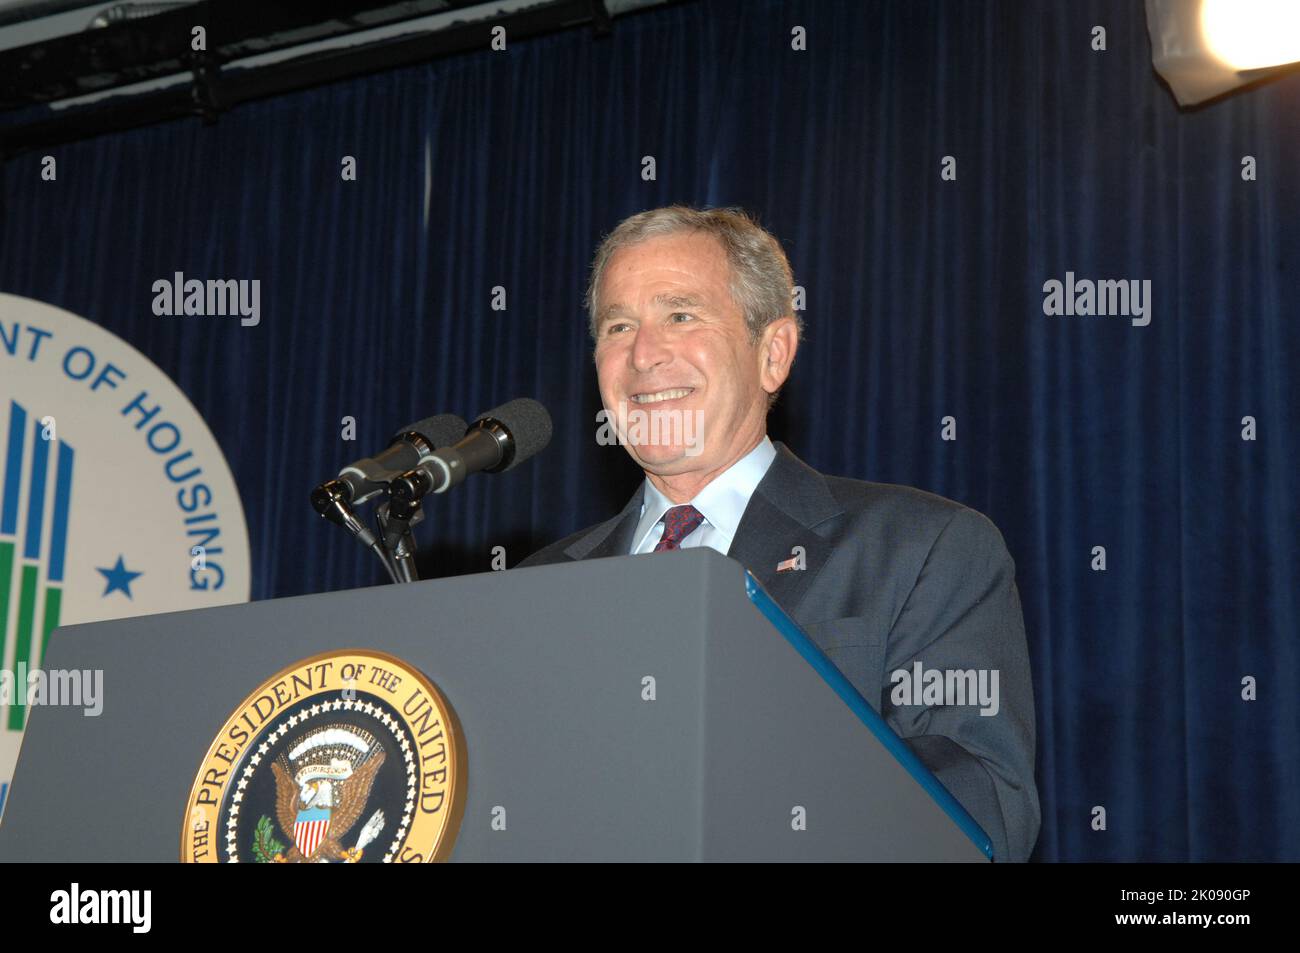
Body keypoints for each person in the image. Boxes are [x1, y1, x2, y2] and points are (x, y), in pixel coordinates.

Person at [518, 205, 1040, 862]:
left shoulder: (922, 549)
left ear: (773, 353)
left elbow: (980, 809)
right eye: (618, 326)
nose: (644, 354)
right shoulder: (538, 585)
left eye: (681, 315)